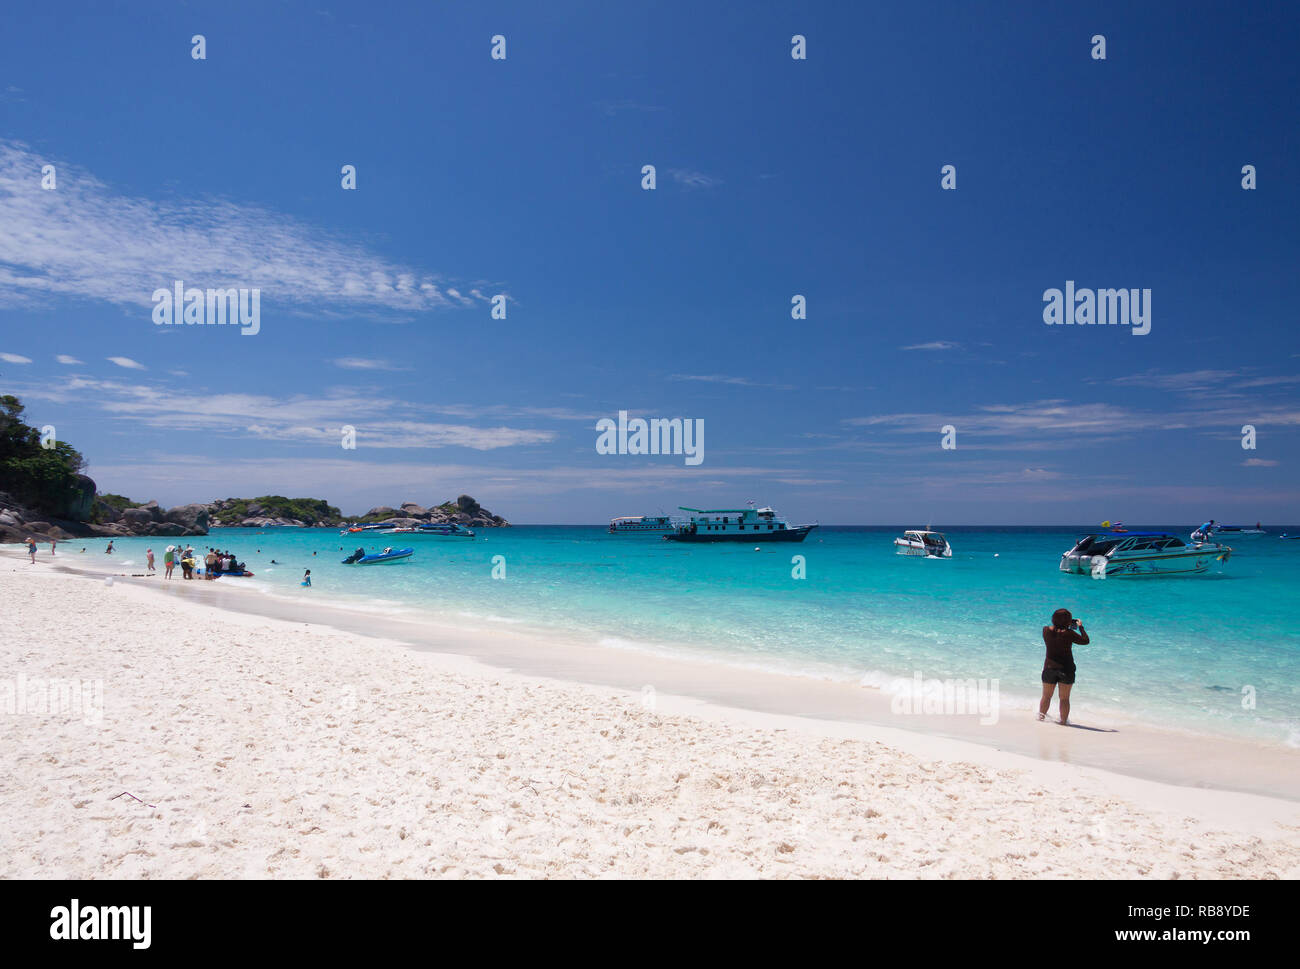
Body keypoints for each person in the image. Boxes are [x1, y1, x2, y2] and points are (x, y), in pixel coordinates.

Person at [1039, 608, 1089, 725]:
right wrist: (1080, 627)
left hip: (1049, 669)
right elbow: (1085, 641)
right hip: (1066, 670)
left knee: (1046, 696)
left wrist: (1064, 624)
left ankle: (1040, 719)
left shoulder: (1046, 630)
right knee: (1064, 699)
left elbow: (1056, 630)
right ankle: (1063, 722)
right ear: (1068, 621)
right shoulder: (1070, 634)